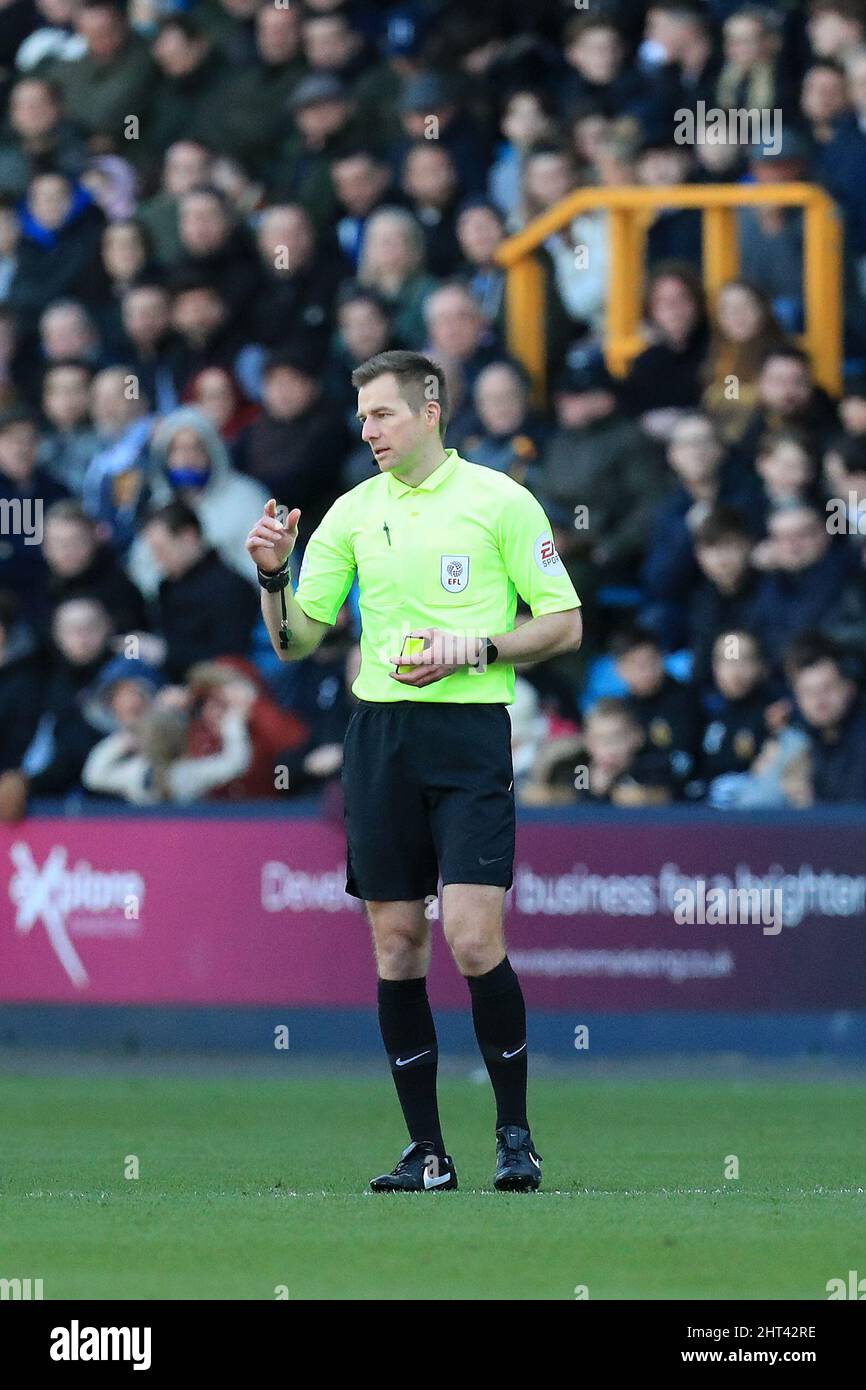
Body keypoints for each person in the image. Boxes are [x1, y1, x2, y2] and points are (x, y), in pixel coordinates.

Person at [245, 349, 582, 1193]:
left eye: (382, 414)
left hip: (469, 736)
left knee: (472, 938)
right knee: (396, 944)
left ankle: (515, 1135)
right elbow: (298, 638)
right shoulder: (354, 511)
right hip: (380, 737)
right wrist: (272, 575)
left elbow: (565, 623)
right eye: (361, 417)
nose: (368, 431)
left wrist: (481, 646)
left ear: (430, 409)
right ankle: (427, 1153)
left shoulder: (499, 499)